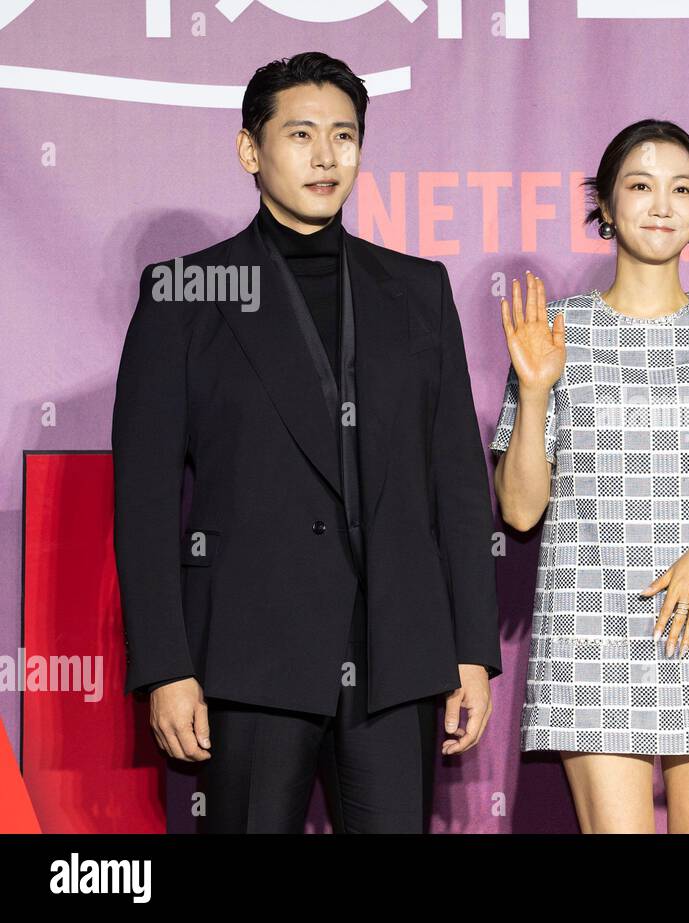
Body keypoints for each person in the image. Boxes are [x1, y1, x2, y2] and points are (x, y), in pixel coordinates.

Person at [112, 52, 501, 833]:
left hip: (396, 654)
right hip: (252, 654)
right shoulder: (186, 291)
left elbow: (457, 483)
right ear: (251, 150)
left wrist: (470, 649)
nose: (326, 156)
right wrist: (166, 667)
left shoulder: (417, 290)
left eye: (345, 136)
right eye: (300, 134)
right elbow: (145, 501)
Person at [490, 120, 689, 833]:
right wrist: (535, 392)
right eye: (641, 185)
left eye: (682, 189)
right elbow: (522, 510)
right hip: (591, 625)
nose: (663, 204)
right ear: (606, 205)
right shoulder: (555, 330)